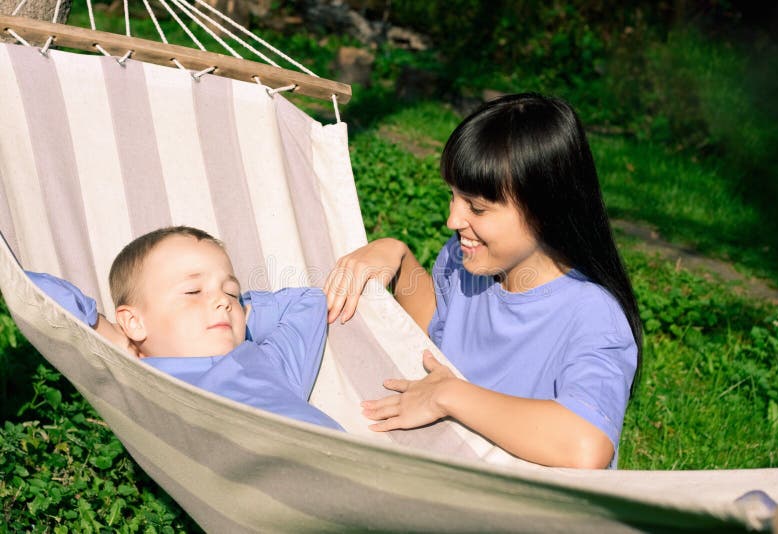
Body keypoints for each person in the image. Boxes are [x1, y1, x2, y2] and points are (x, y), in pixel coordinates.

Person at [324, 93, 642, 468]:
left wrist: (450, 396)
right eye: (453, 197)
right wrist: (400, 259)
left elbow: (586, 447)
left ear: (546, 211)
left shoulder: (591, 314)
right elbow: (433, 333)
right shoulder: (466, 262)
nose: (454, 220)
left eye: (477, 208)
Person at [27, 226, 342, 431]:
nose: (222, 300)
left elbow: (308, 300)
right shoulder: (134, 367)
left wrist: (242, 314)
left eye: (231, 291)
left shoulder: (270, 362)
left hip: (337, 464)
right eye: (193, 292)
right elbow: (44, 298)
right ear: (134, 323)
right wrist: (121, 339)